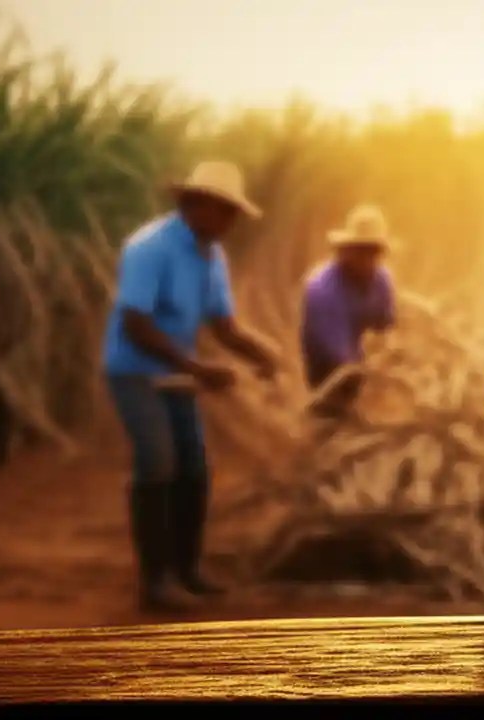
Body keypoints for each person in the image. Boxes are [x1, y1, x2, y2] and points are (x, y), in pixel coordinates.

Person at [102, 160, 279, 613]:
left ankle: (187, 570)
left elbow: (223, 325)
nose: (230, 222)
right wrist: (197, 369)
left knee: (194, 470)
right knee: (158, 464)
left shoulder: (211, 255)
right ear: (196, 205)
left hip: (177, 373)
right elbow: (136, 323)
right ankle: (155, 582)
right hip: (135, 372)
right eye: (225, 211)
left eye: (233, 213)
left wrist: (261, 354)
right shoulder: (149, 248)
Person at [299, 204, 397, 416]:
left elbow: (387, 326)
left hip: (356, 344)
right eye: (361, 250)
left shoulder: (382, 279)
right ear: (346, 250)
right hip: (325, 359)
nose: (368, 259)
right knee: (336, 401)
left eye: (373, 251)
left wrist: (388, 353)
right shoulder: (322, 291)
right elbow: (344, 363)